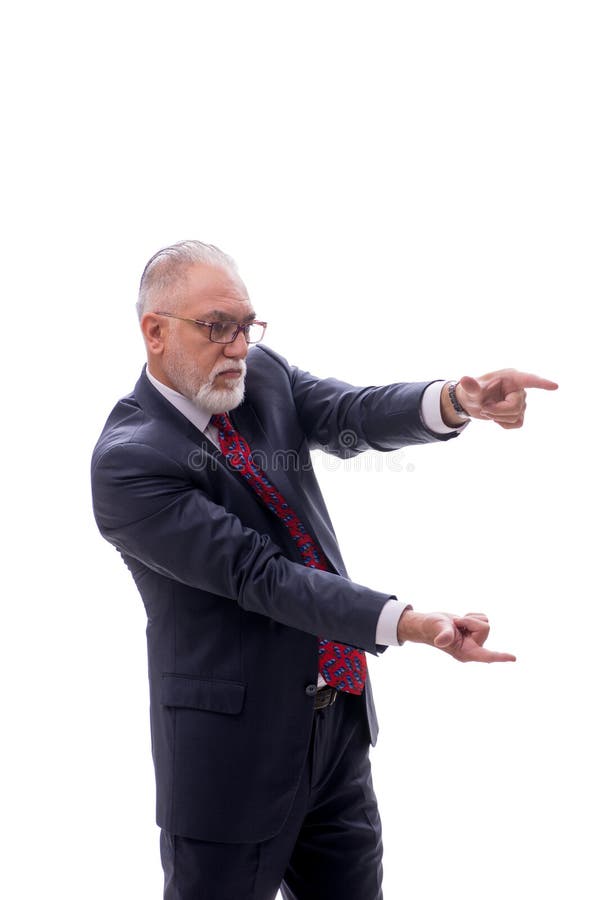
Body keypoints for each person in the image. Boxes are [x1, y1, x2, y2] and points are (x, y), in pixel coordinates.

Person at [91, 240, 557, 900]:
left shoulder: (260, 379)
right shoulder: (128, 465)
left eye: (246, 326)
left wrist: (455, 400)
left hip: (334, 728)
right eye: (216, 327)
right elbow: (260, 575)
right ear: (155, 331)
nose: (237, 347)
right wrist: (410, 623)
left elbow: (347, 413)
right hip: (231, 763)